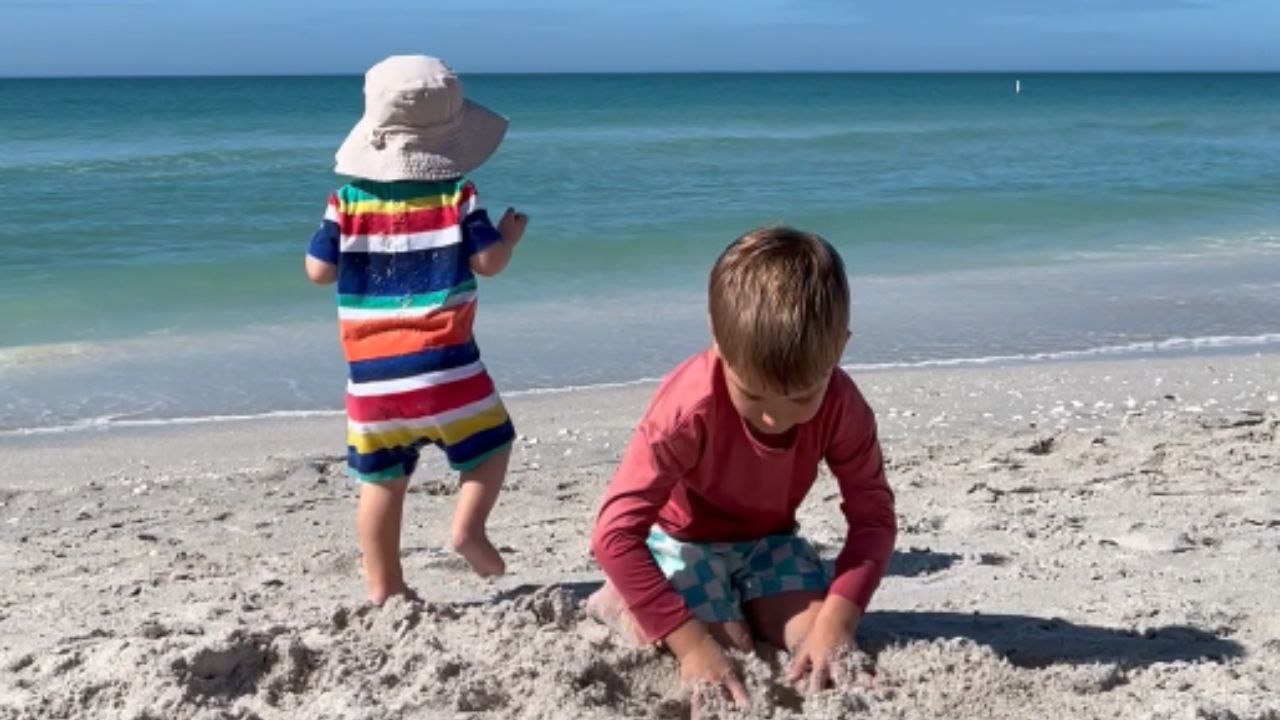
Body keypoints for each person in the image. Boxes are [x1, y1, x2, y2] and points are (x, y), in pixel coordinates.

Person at [589, 226, 896, 703]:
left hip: (769, 542)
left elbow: (873, 519)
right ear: (716, 339)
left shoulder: (842, 406)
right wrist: (692, 646)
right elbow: (613, 535)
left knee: (817, 635)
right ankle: (620, 602)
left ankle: (749, 603)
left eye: (800, 396)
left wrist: (838, 620)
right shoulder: (687, 412)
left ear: (839, 348)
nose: (774, 417)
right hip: (681, 541)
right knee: (728, 647)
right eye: (751, 394)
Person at [304, 55, 527, 604]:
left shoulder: (344, 203)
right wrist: (508, 236)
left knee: (381, 483)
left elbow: (317, 272)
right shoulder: (457, 196)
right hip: (448, 366)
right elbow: (488, 263)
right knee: (492, 446)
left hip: (373, 383)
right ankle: (468, 530)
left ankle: (386, 587)